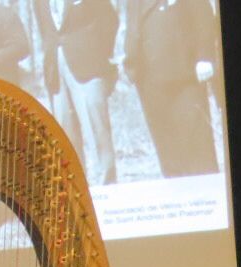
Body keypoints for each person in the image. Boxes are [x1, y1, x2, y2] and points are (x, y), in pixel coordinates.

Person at [122, 0, 219, 177]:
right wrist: (130, 64)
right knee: (168, 152)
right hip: (149, 80)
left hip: (185, 76)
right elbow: (133, 25)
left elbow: (202, 15)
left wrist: (204, 56)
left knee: (197, 147)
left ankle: (205, 198)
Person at [48, 0, 119, 186]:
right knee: (65, 131)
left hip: (89, 64)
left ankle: (107, 188)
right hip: (56, 68)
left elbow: (109, 19)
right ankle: (77, 190)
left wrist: (97, 54)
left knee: (96, 127)